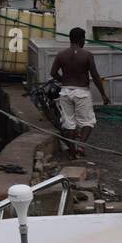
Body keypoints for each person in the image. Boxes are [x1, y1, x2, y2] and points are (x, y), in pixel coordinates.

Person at [50, 27, 110, 159]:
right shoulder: (87, 55)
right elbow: (95, 76)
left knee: (69, 124)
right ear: (82, 39)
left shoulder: (61, 54)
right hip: (81, 92)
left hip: (65, 92)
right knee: (88, 122)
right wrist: (103, 94)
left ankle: (72, 153)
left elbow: (53, 73)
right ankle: (81, 146)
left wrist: (63, 80)